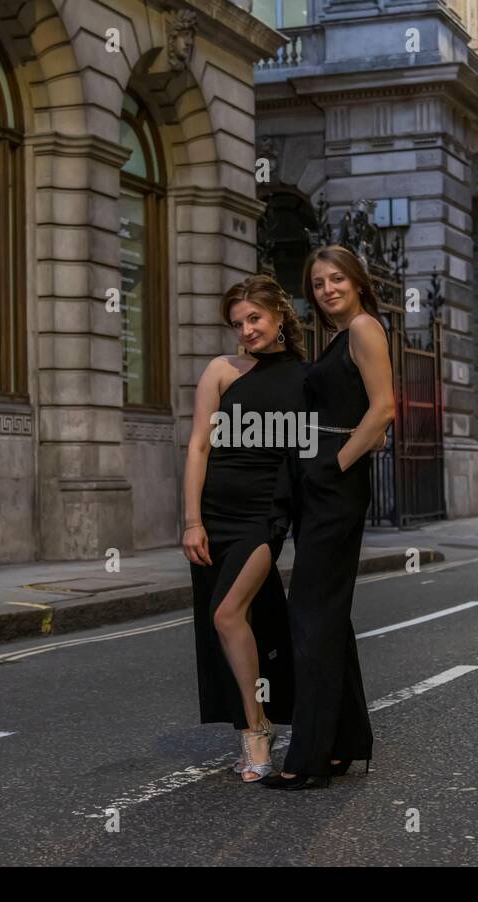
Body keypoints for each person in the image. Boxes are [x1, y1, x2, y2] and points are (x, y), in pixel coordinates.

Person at [262, 245, 395, 791]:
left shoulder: (364, 329)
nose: (326, 290)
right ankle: (344, 744)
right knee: (328, 616)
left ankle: (308, 759)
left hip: (335, 482)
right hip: (322, 481)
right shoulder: (339, 337)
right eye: (317, 283)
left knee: (310, 616)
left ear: (358, 282)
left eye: (336, 278)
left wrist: (331, 467)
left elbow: (383, 410)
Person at [183, 275, 307, 782]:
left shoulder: (305, 376)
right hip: (215, 514)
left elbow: (311, 447)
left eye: (255, 318)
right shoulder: (221, 371)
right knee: (239, 622)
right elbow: (198, 447)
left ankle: (257, 731)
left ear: (278, 314)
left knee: (228, 614)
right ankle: (254, 725)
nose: (247, 329)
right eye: (238, 322)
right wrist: (192, 520)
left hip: (264, 514)